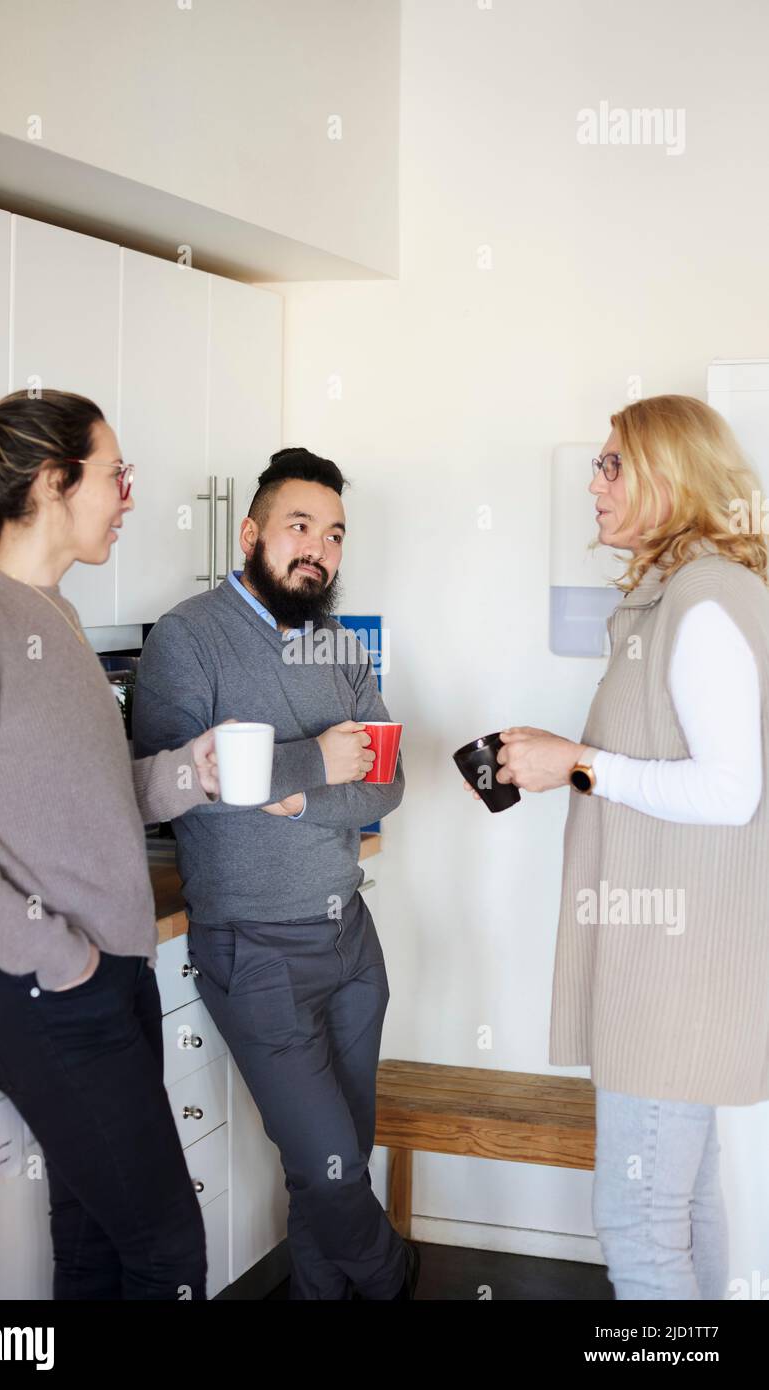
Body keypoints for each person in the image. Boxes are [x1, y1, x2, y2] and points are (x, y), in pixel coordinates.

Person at [0, 389, 224, 1300]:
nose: (128, 496)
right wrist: (56, 953)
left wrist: (189, 775)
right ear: (53, 481)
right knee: (169, 1257)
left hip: (104, 976)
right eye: (115, 475)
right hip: (48, 991)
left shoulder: (57, 617)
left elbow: (88, 799)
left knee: (95, 1246)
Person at [465, 394, 769, 1299]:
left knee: (639, 1223)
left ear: (669, 480)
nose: (593, 483)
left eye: (612, 466)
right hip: (681, 962)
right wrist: (565, 763)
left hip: (670, 976)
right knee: (681, 1211)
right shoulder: (695, 593)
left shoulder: (704, 601)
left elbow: (730, 791)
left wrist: (579, 763)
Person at [133, 446, 417, 1300]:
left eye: (333, 534)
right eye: (300, 527)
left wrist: (297, 797)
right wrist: (322, 765)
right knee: (332, 1171)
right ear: (251, 531)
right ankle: (398, 1278)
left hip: (350, 942)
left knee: (332, 1159)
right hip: (254, 950)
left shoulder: (336, 642)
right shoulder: (189, 639)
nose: (318, 550)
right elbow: (162, 788)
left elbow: (391, 778)